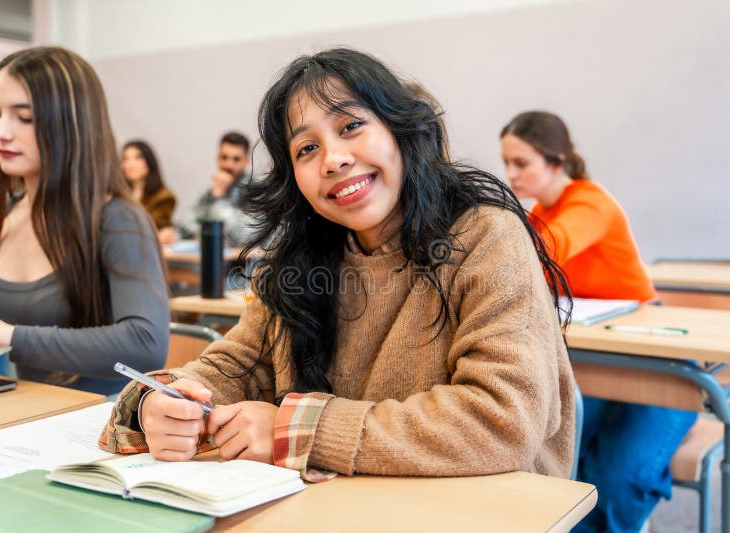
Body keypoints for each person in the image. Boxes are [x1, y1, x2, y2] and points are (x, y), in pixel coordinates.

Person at [101, 49, 575, 482]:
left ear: (401, 131)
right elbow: (238, 365)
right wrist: (161, 404)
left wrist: (296, 430)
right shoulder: (297, 262)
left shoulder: (484, 236)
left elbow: (502, 419)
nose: (334, 159)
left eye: (351, 127)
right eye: (306, 149)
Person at [500, 110, 696, 532]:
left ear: (557, 161)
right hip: (599, 356)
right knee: (558, 454)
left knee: (622, 472)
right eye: (507, 164)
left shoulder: (589, 201)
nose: (511, 174)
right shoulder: (537, 215)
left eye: (521, 163)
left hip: (658, 358)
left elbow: (549, 250)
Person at [0, 46, 170, 395]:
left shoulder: (119, 222)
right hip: (21, 414)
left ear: (71, 123)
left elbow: (145, 345)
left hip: (98, 425)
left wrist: (4, 335)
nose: (0, 132)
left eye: (25, 117)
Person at [161, 131, 256, 247]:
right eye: (224, 157)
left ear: (246, 161)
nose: (229, 165)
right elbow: (188, 222)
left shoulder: (257, 189)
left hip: (247, 263)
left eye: (236, 159)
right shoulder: (213, 192)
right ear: (217, 158)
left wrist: (219, 200)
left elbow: (244, 236)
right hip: (215, 258)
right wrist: (175, 234)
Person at [121, 139, 176, 241]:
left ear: (149, 161)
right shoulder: (118, 195)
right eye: (125, 159)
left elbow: (149, 227)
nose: (130, 164)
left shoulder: (164, 197)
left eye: (138, 158)